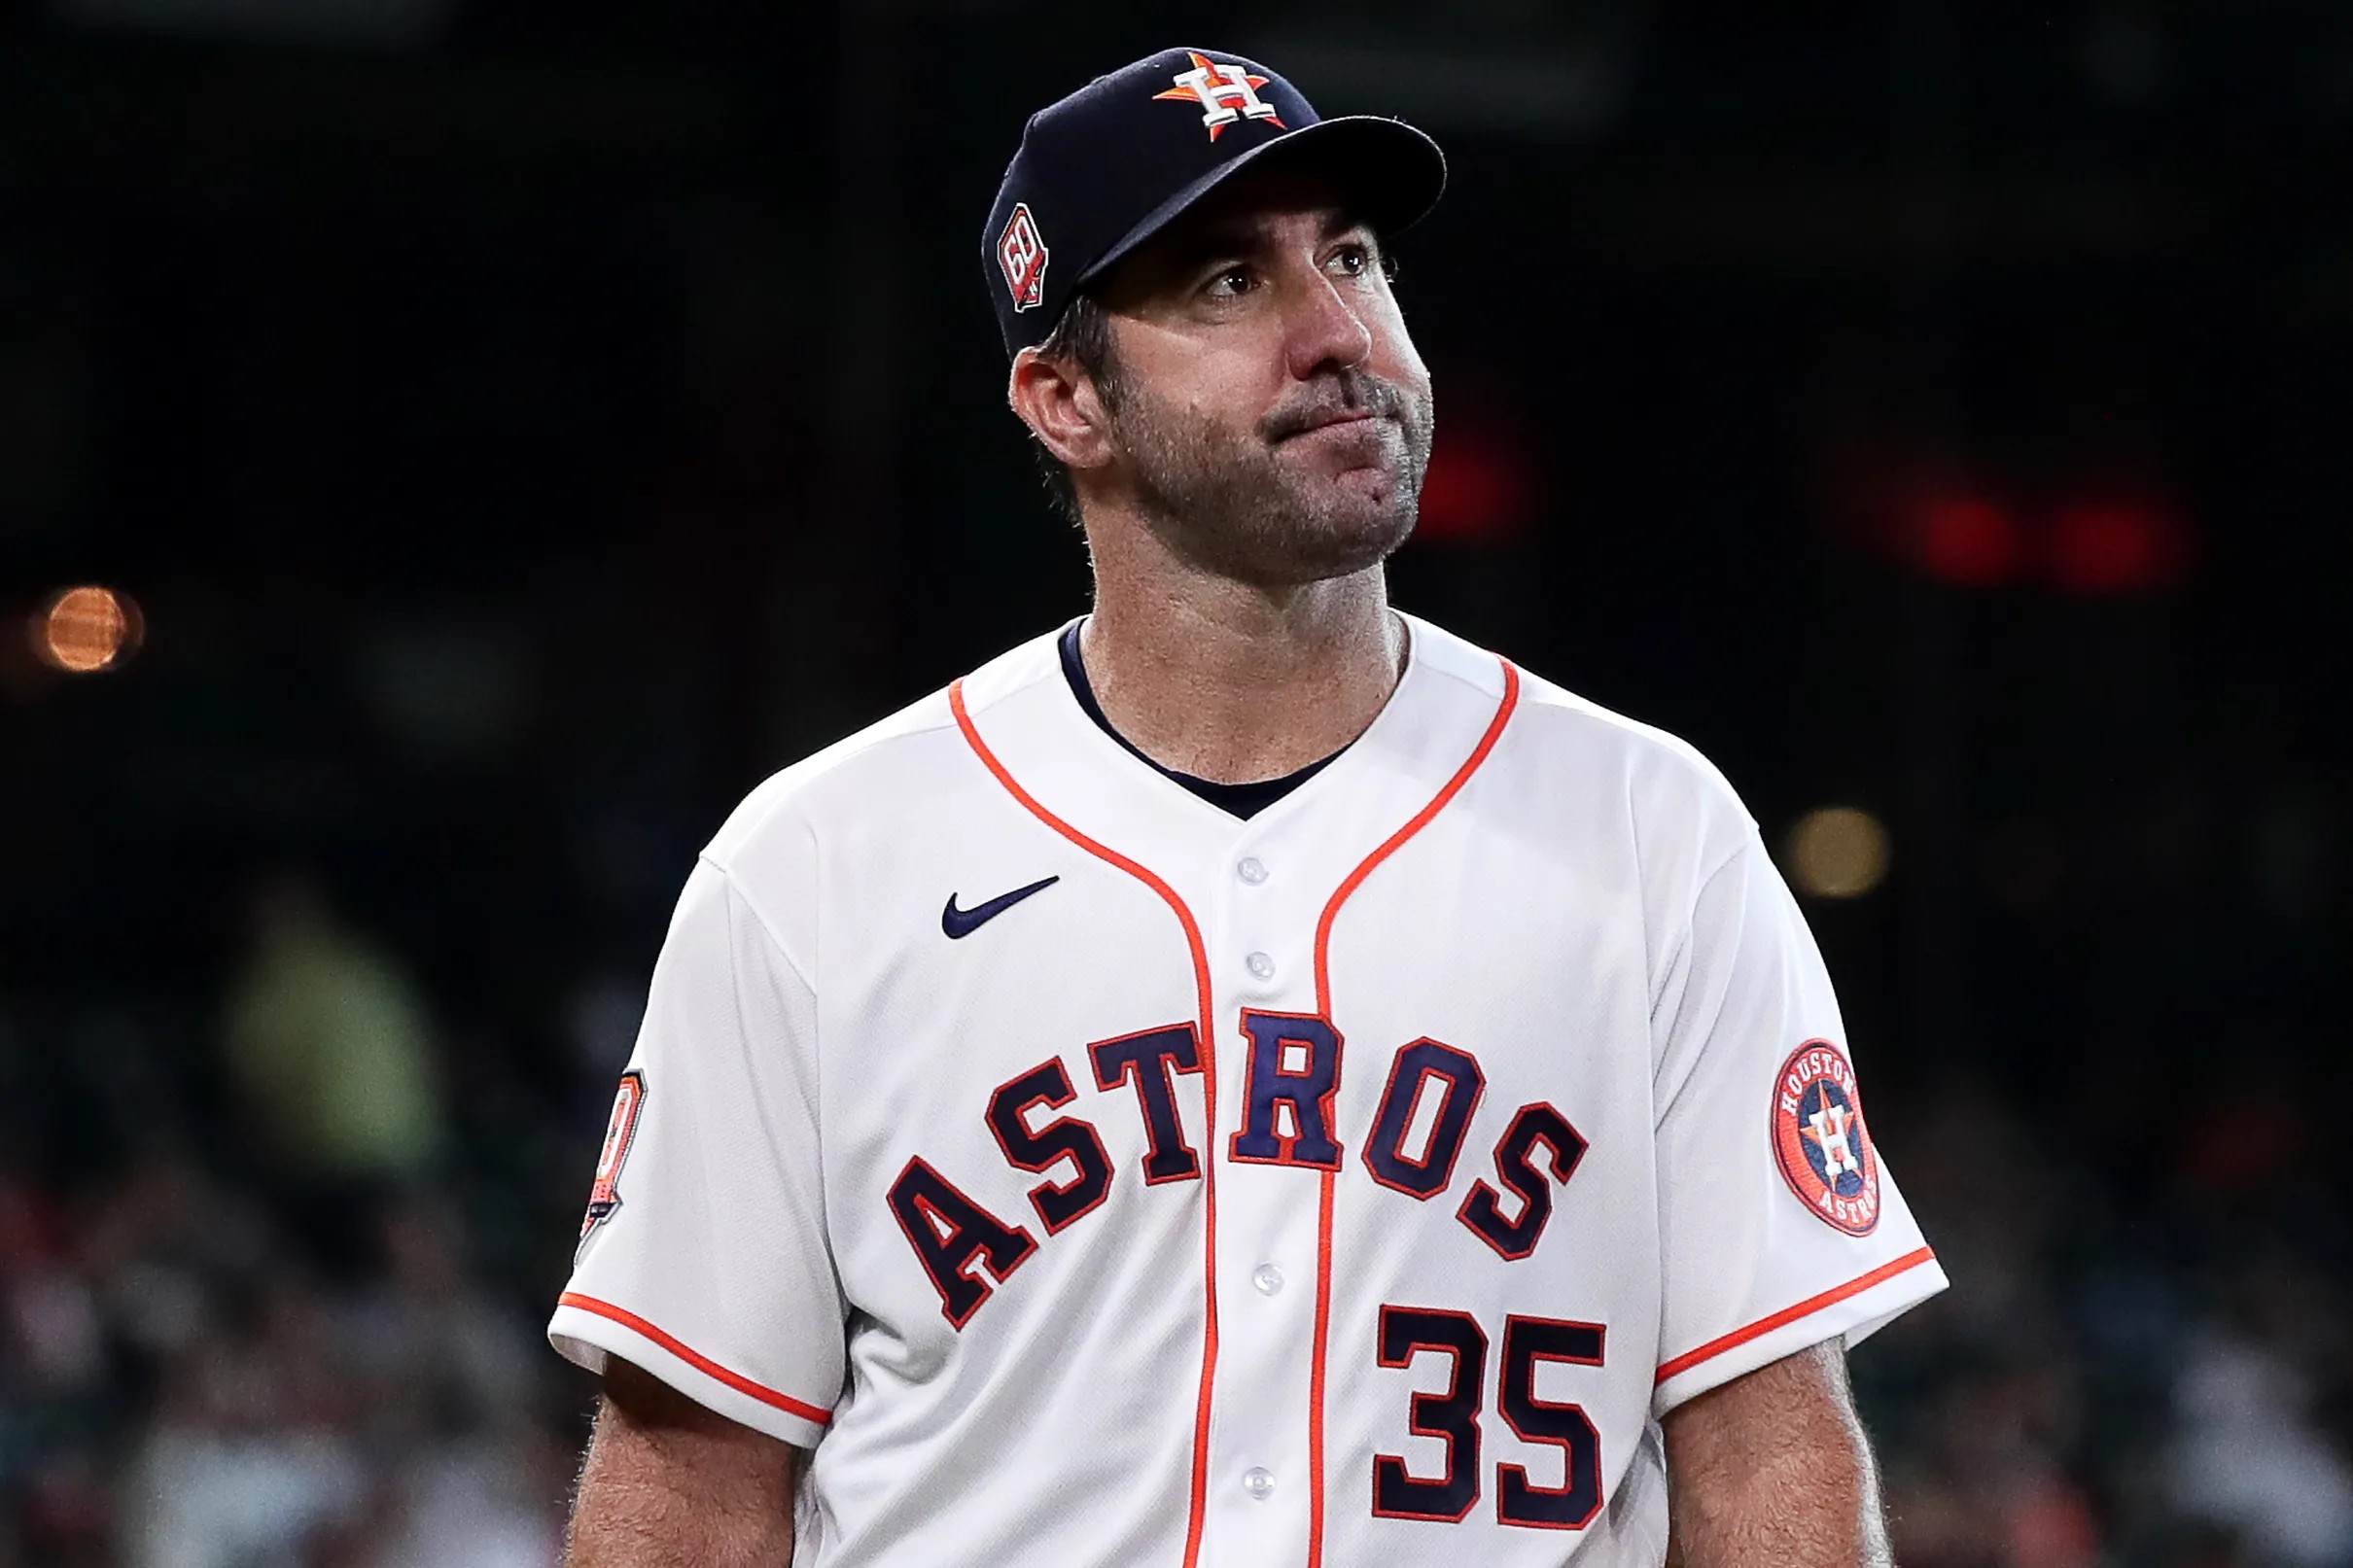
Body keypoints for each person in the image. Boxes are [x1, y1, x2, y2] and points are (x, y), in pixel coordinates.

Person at [548, 46, 1947, 1567]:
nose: (1337, 332)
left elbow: (1770, 1460)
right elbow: (686, 1490)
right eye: (1228, 284)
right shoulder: (817, 869)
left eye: (1350, 258)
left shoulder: (1649, 834)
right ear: (1063, 395)